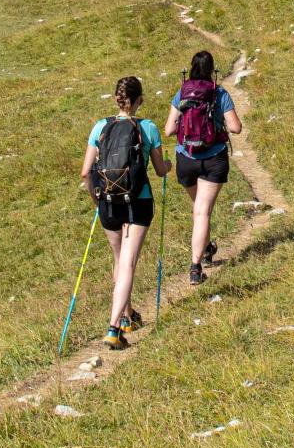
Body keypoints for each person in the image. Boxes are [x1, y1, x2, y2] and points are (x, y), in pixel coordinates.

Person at [79, 75, 171, 349]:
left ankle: (128, 315)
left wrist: (98, 201)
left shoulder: (100, 127)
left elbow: (86, 172)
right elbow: (158, 169)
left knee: (119, 259)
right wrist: (167, 165)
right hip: (137, 201)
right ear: (140, 99)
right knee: (129, 263)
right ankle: (114, 327)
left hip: (107, 202)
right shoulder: (149, 128)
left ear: (116, 99)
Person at [165, 49, 243, 286]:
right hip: (213, 159)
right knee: (202, 212)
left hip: (186, 159)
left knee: (199, 209)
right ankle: (196, 266)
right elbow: (236, 128)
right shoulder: (219, 93)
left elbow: (168, 130)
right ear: (212, 70)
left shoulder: (183, 93)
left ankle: (207, 248)